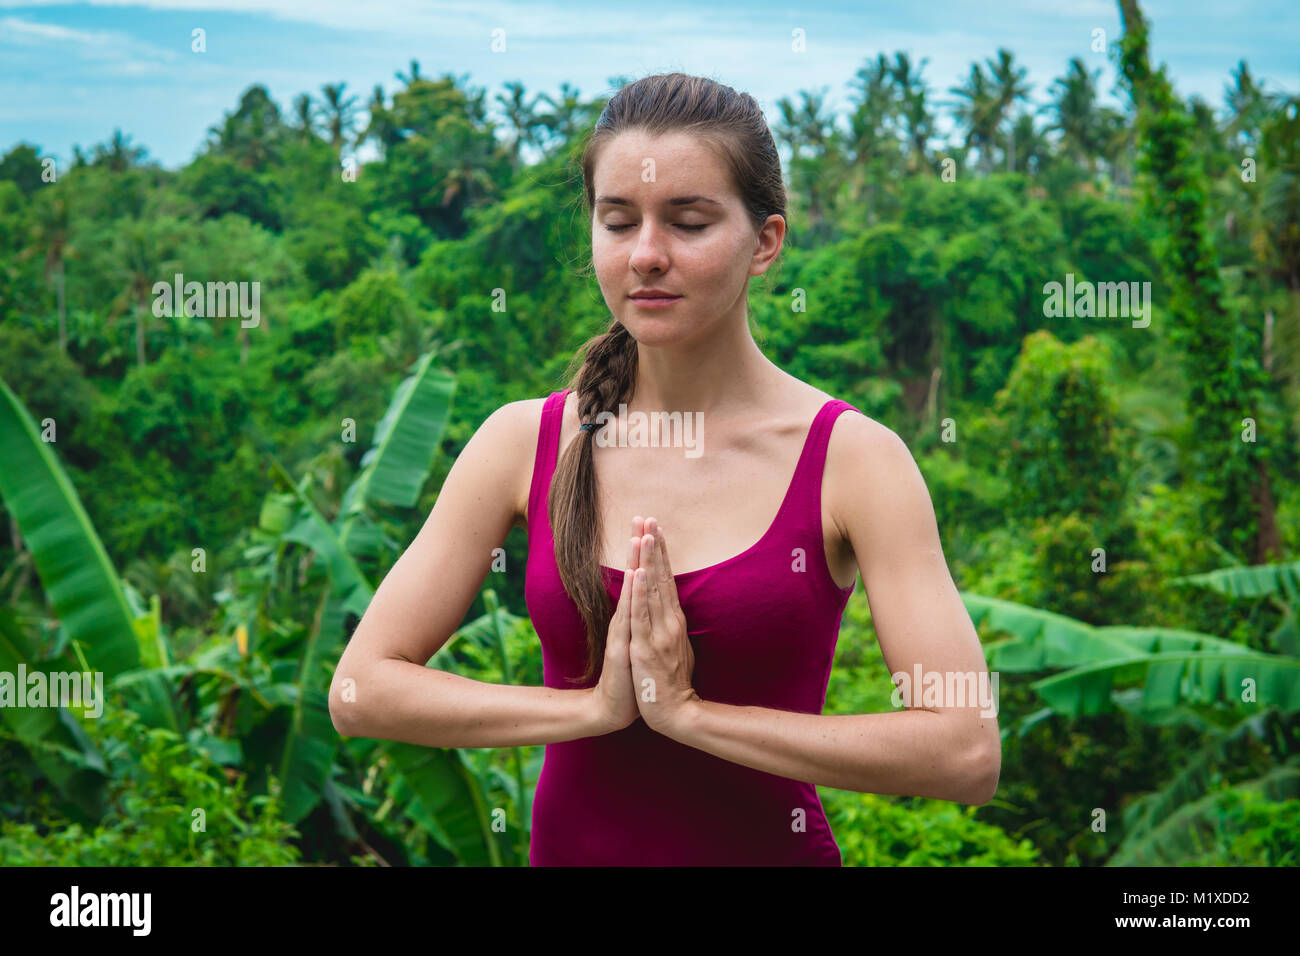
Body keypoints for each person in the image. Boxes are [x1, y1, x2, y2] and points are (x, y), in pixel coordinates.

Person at [329, 72, 1000, 866]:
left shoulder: (854, 461)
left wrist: (692, 717)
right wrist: (593, 711)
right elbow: (360, 690)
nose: (647, 255)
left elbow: (963, 752)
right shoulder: (525, 443)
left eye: (688, 222)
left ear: (766, 241)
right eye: (618, 222)